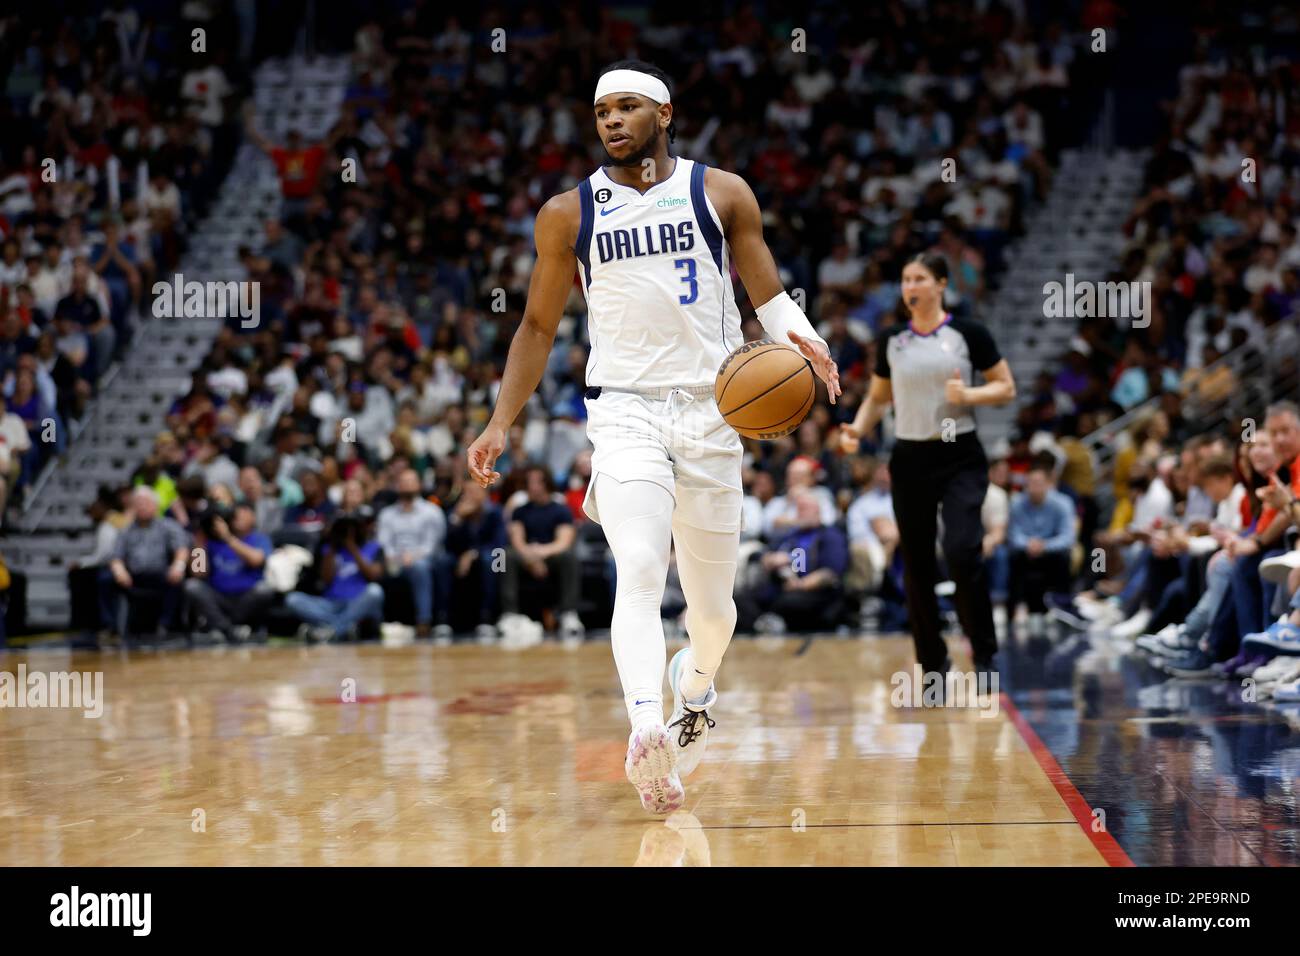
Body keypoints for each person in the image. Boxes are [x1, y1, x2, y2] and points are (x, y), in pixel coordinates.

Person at [467, 60, 841, 814]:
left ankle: (695, 692)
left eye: (627, 107)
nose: (610, 120)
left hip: (714, 409)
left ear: (664, 114)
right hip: (624, 408)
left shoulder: (721, 191)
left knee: (713, 612)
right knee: (638, 562)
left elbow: (764, 290)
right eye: (601, 110)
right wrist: (500, 419)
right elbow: (538, 325)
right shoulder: (567, 214)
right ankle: (646, 728)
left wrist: (806, 338)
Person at [840, 252, 1016, 686]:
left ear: (940, 284)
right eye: (904, 279)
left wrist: (969, 396)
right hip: (911, 457)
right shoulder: (892, 340)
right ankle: (933, 665)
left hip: (960, 456)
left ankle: (985, 655)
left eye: (919, 278)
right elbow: (879, 398)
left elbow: (1006, 388)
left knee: (961, 550)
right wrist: (857, 430)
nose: (909, 286)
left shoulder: (968, 333)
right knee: (915, 562)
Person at [499, 465, 582, 642]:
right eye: (530, 482)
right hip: (526, 557)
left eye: (538, 482)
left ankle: (569, 614)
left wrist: (541, 553)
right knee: (501, 556)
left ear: (547, 484)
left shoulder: (561, 510)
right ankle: (509, 615)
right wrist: (530, 557)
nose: (533, 486)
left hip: (551, 555)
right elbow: (517, 539)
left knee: (569, 556)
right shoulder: (519, 511)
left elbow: (563, 541)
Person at [286, 510, 385, 642]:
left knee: (375, 592)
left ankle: (330, 630)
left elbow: (373, 576)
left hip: (356, 603)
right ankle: (343, 628)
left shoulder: (374, 547)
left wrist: (352, 548)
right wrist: (332, 543)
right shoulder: (329, 549)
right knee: (293, 599)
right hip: (331, 604)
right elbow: (326, 579)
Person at [105, 486, 190, 641]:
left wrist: (178, 566)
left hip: (161, 575)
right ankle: (115, 628)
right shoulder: (126, 530)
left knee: (179, 582)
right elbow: (115, 556)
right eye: (138, 503)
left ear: (155, 505)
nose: (142, 506)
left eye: (145, 502)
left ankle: (165, 625)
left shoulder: (168, 525)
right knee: (107, 580)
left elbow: (182, 549)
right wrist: (119, 571)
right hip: (134, 576)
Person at [184, 503, 275, 643]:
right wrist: (199, 541)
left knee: (264, 589)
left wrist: (228, 537)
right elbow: (198, 573)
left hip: (246, 599)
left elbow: (256, 560)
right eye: (235, 515)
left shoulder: (259, 538)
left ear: (253, 517)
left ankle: (225, 629)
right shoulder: (212, 542)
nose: (236, 517)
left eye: (243, 512)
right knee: (192, 586)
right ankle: (228, 629)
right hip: (219, 599)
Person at [376, 468, 447, 639]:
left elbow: (432, 545)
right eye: (403, 481)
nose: (407, 484)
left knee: (420, 567)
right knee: (375, 567)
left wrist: (412, 557)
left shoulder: (432, 511)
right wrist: (393, 557)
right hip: (394, 561)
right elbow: (384, 543)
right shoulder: (387, 514)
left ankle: (424, 621)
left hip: (424, 560)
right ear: (397, 486)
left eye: (411, 481)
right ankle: (378, 624)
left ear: (419, 485)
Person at [1006, 461, 1077, 635]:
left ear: (1048, 484)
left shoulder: (1063, 503)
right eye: (1030, 483)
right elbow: (1014, 535)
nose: (1034, 488)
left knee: (1064, 557)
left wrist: (1045, 546)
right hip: (1027, 551)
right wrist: (1029, 544)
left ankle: (1063, 607)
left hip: (1052, 551)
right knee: (1012, 556)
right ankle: (1015, 611)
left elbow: (1068, 537)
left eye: (1039, 483)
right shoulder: (1017, 503)